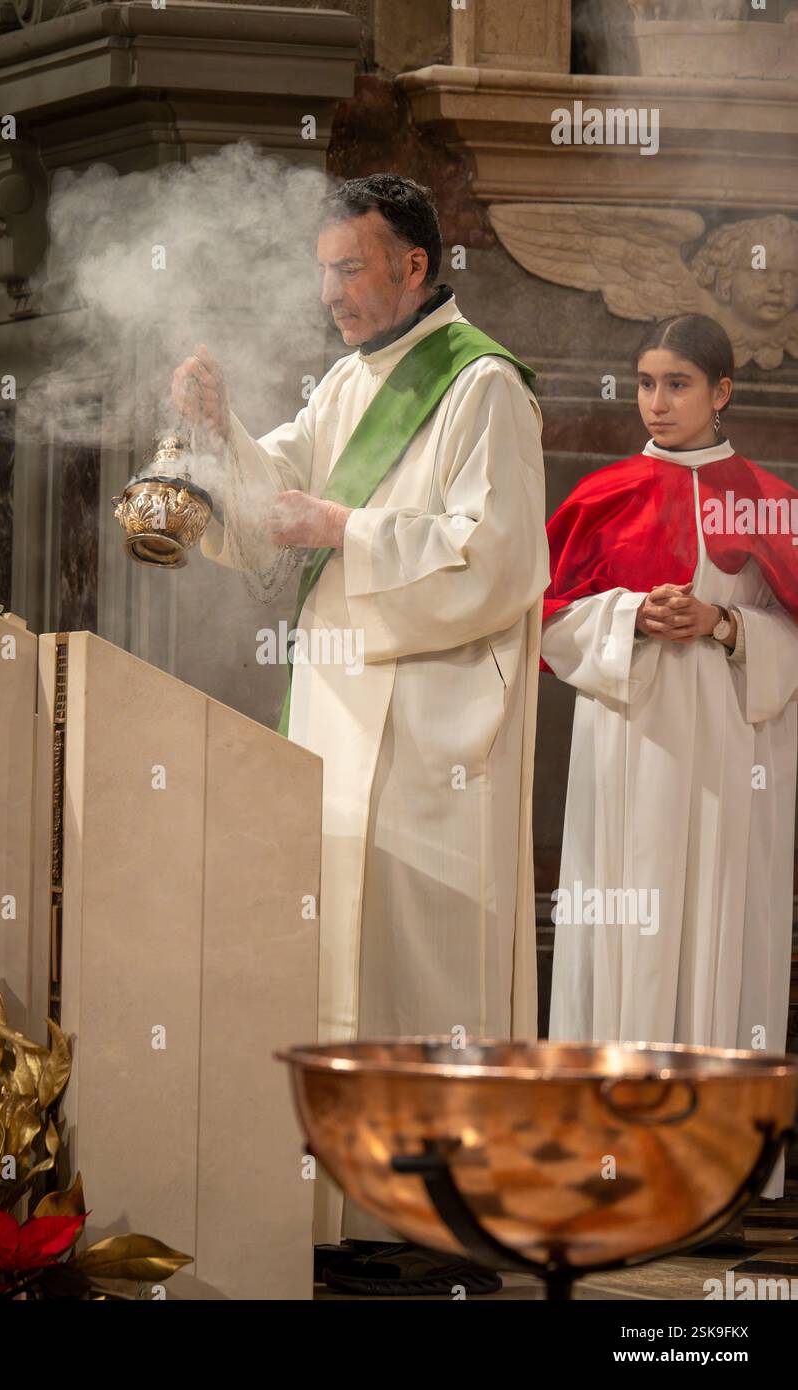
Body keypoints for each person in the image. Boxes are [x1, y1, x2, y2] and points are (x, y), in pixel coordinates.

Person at [171, 173, 548, 1294]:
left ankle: (436, 1222)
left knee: (417, 967)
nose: (330, 291)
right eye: (323, 268)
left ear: (415, 267)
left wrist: (350, 530)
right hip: (341, 715)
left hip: (434, 734)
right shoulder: (349, 381)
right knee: (341, 958)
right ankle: (346, 1214)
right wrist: (216, 426)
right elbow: (273, 490)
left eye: (350, 268)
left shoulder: (486, 389)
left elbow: (503, 557)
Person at [542, 312, 798, 1202]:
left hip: (733, 752)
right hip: (629, 748)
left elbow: (792, 638)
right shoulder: (602, 493)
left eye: (677, 384)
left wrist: (725, 623)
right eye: (645, 382)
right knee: (625, 927)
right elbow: (549, 619)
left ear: (721, 392)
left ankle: (714, 1173)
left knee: (723, 920)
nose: (655, 402)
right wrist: (626, 619)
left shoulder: (767, 502)